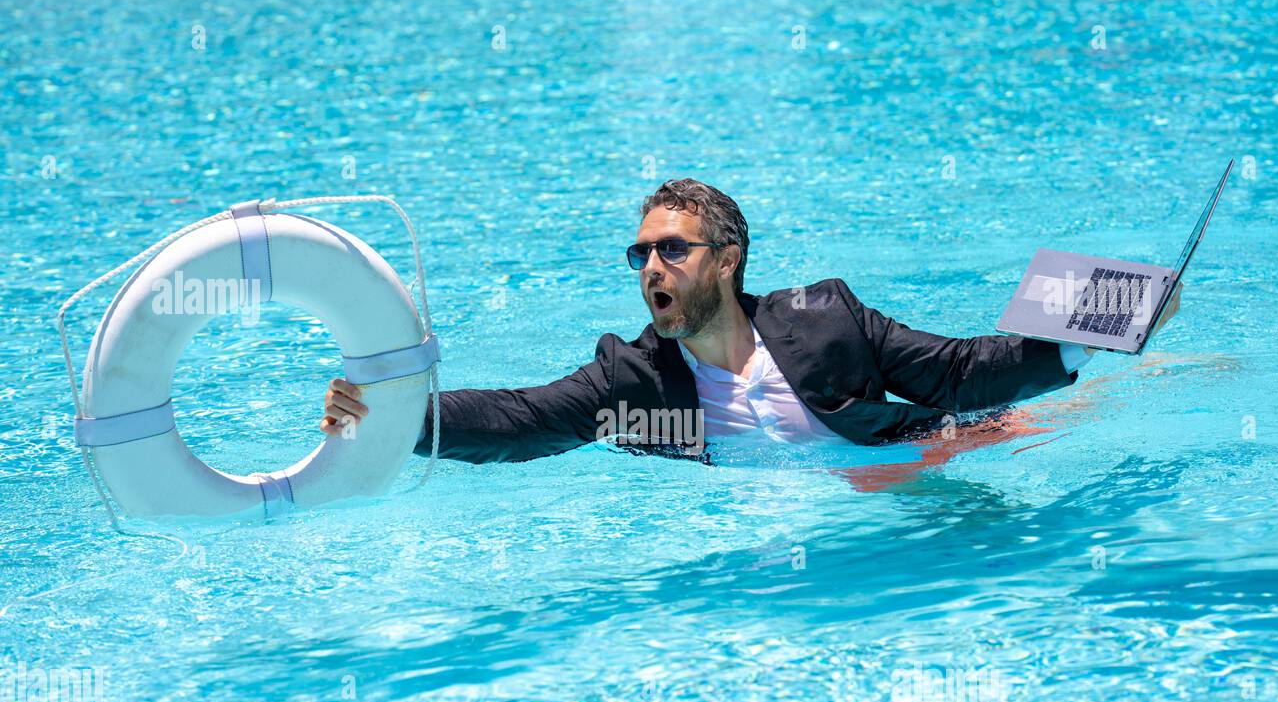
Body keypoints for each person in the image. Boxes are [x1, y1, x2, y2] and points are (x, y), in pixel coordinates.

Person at [319, 179, 1181, 464]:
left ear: (727, 261)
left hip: (919, 462)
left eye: (673, 250)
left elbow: (959, 366)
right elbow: (523, 420)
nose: (652, 267)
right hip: (835, 518)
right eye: (641, 255)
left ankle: (1150, 368)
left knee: (1014, 428)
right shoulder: (636, 378)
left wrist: (1111, 318)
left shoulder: (827, 319)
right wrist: (398, 418)